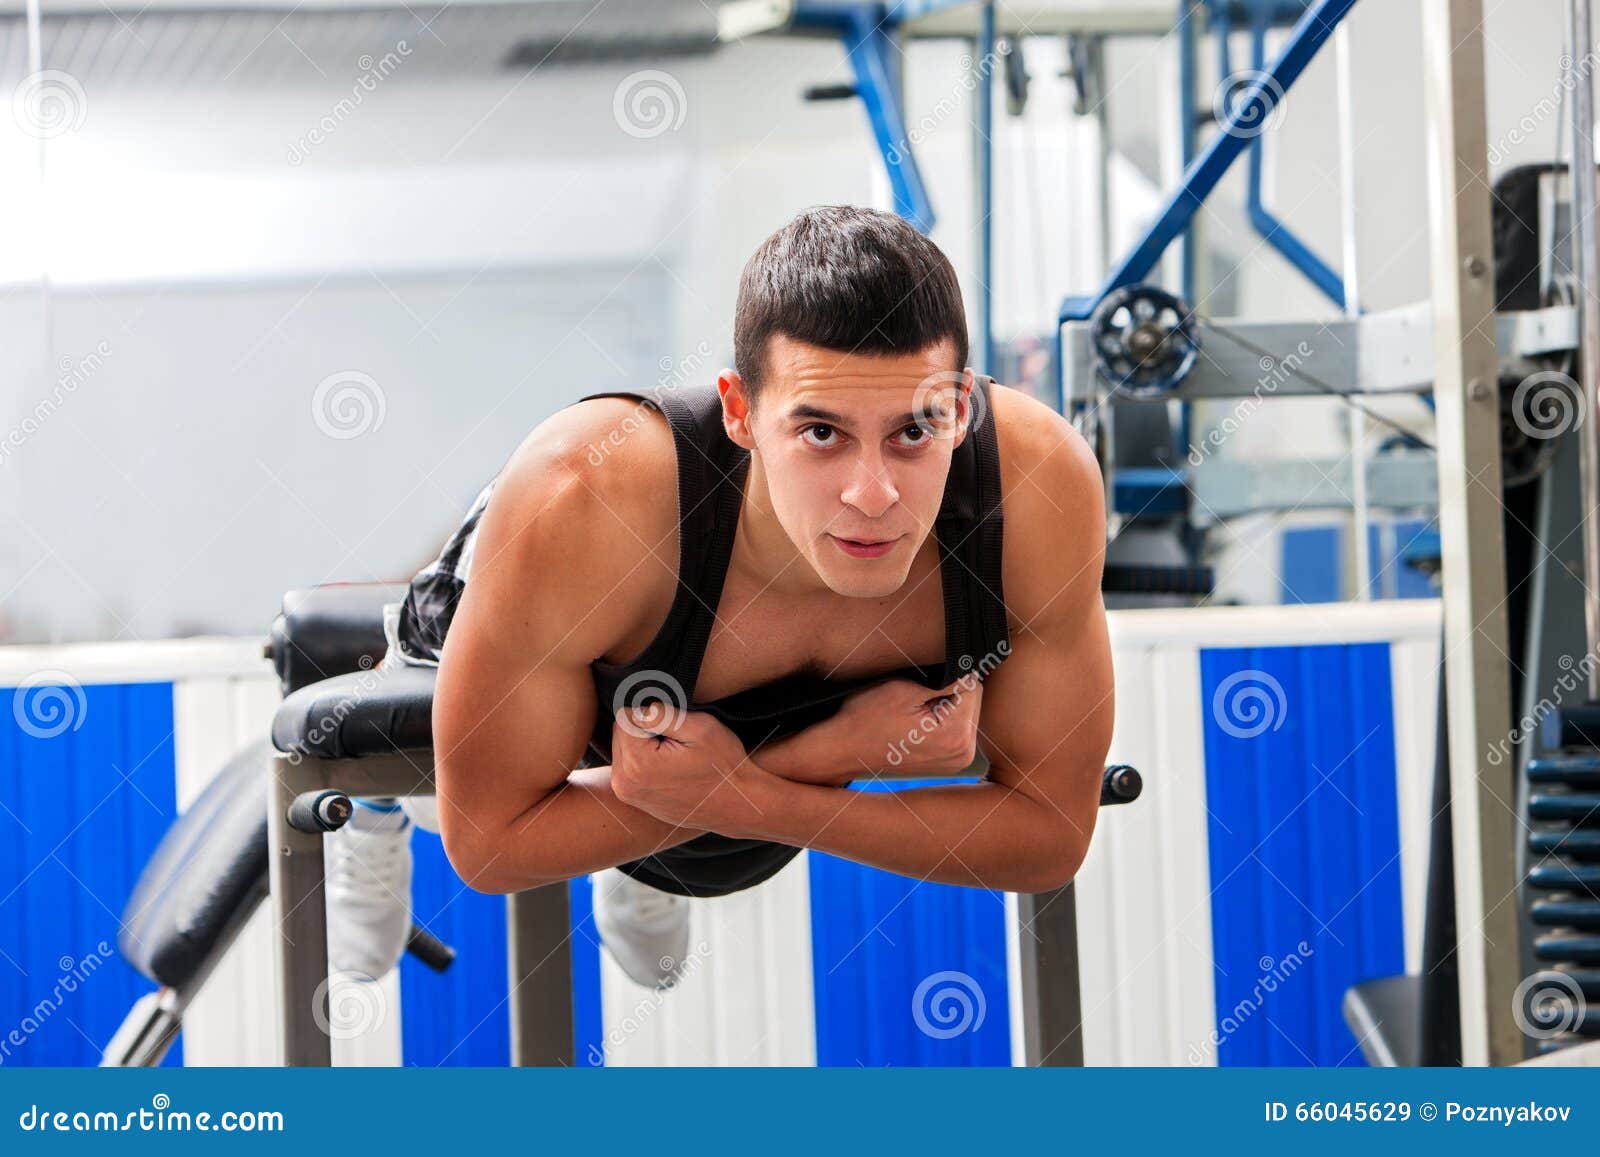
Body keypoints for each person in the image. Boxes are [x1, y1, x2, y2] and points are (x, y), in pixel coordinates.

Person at [326, 205, 1114, 990]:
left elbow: (1050, 835)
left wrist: (750, 796)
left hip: (662, 736)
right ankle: (378, 815)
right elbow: (491, 842)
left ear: (962, 405)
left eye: (914, 431)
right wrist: (837, 753)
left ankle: (629, 845)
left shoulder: (1040, 487)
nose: (872, 495)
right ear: (740, 411)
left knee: (653, 860)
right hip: (571, 633)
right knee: (425, 770)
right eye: (820, 433)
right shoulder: (582, 499)